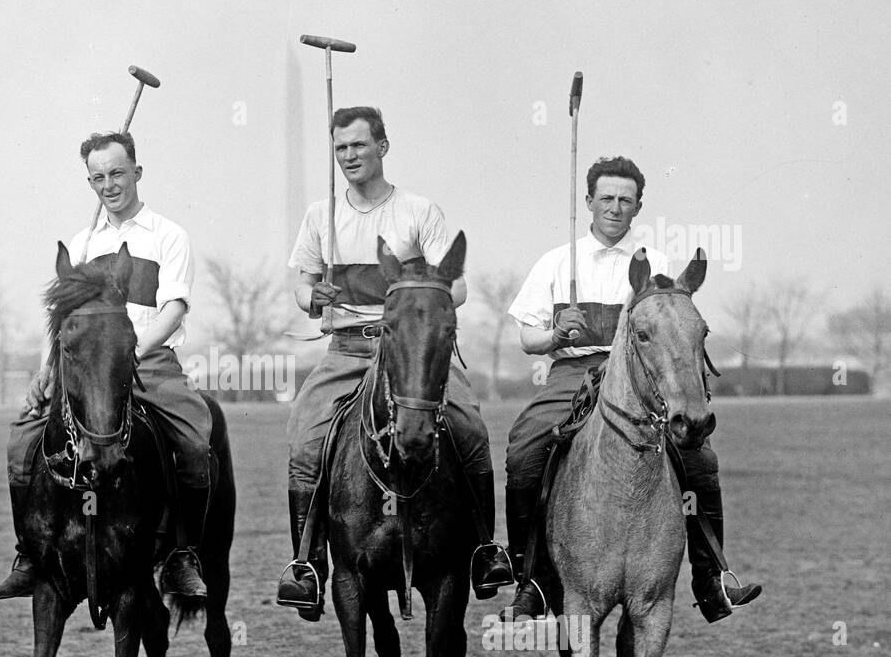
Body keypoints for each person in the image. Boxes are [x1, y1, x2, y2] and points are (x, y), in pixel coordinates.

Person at [500, 154, 762, 623]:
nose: (615, 208)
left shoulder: (655, 264)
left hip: (637, 378)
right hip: (571, 374)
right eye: (606, 198)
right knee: (524, 451)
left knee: (700, 459)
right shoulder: (558, 262)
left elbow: (671, 334)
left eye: (626, 200)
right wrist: (556, 335)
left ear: (638, 207)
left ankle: (712, 578)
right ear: (588, 202)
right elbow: (527, 338)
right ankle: (533, 578)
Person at [275, 106, 513, 621]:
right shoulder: (321, 216)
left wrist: (422, 298)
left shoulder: (419, 212)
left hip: (414, 354)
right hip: (348, 351)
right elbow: (299, 287)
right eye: (340, 148)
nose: (349, 156)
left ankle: (484, 552)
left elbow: (457, 285)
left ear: (383, 146)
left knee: (470, 427)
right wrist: (313, 294)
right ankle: (308, 565)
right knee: (303, 439)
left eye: (359, 145)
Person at [0, 131, 212, 602]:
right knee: (21, 438)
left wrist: (129, 354)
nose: (110, 185)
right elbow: (65, 327)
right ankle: (29, 554)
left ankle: (181, 555)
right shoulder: (83, 243)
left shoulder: (169, 235)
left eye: (118, 174)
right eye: (98, 177)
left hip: (151, 363)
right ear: (90, 182)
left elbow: (173, 309)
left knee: (194, 440)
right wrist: (49, 370)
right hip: (86, 371)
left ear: (137, 173)